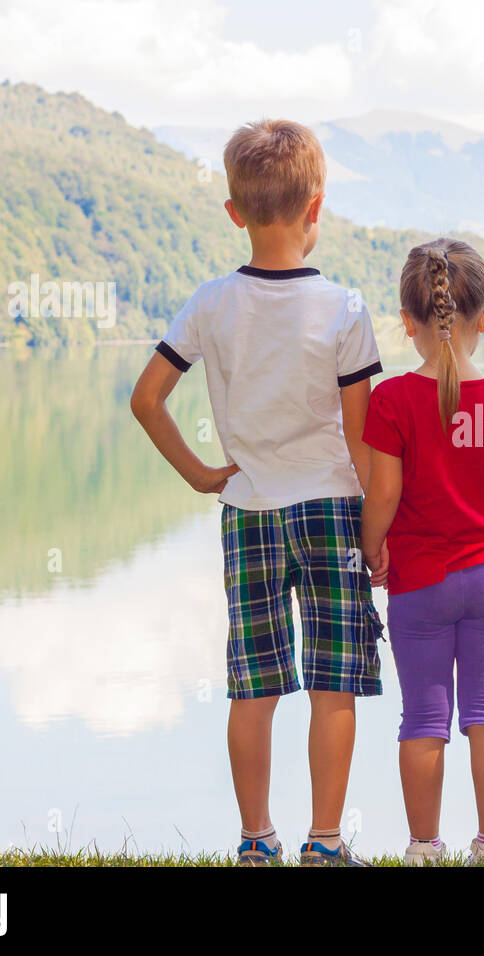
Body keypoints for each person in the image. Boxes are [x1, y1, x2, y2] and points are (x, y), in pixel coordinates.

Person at [130, 119, 384, 866]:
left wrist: (201, 472)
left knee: (255, 684)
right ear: (317, 208)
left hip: (248, 513)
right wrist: (380, 531)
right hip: (334, 510)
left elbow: (147, 399)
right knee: (334, 685)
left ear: (235, 212)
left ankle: (254, 841)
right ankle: (326, 843)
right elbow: (363, 441)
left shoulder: (210, 303)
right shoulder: (345, 308)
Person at [361, 238, 484, 866]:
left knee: (424, 718)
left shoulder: (391, 401)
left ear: (408, 323)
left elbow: (384, 492)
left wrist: (370, 549)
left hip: (421, 584)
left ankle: (424, 847)